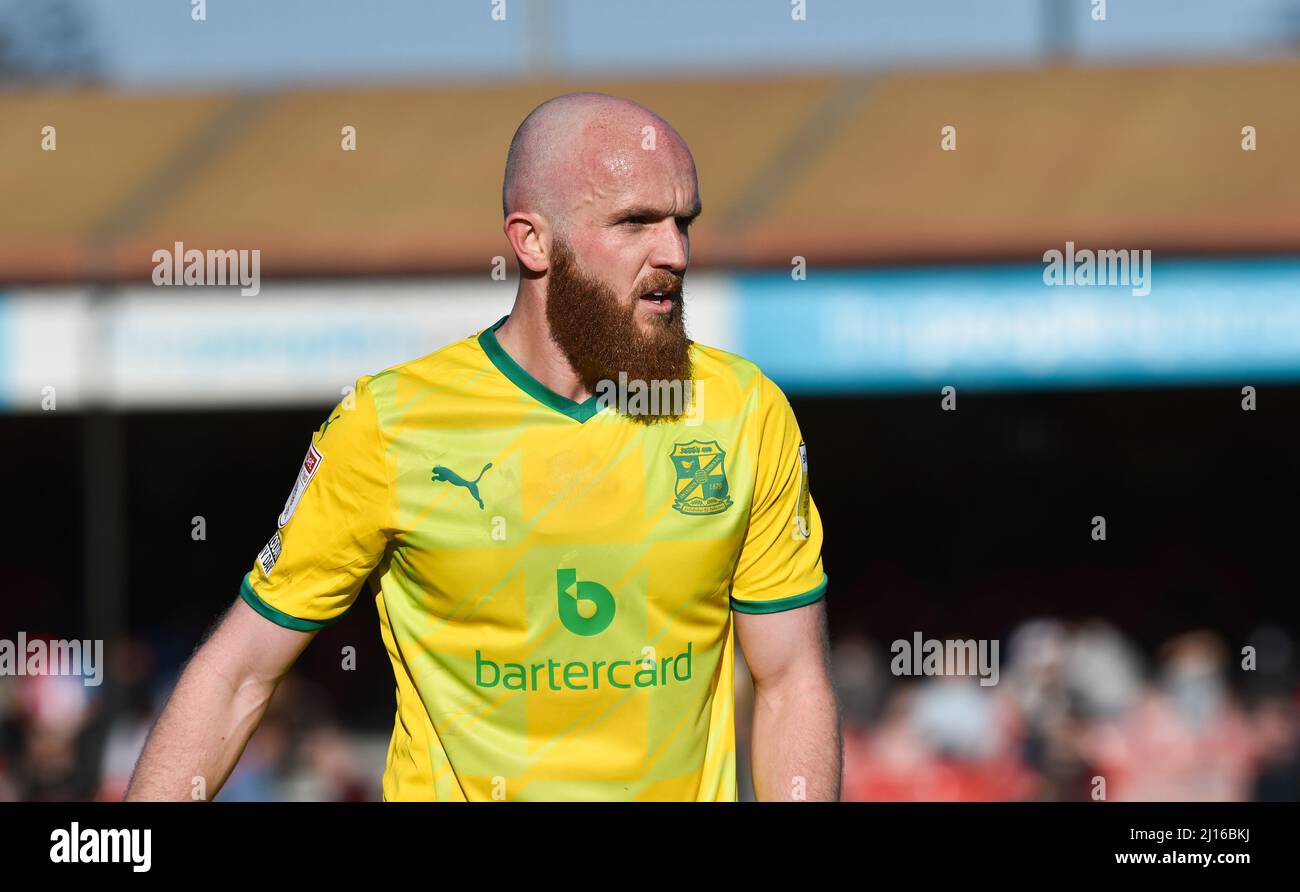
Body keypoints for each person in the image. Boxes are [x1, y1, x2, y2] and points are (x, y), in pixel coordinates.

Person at [125, 92, 838, 801]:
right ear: (531, 241)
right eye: (636, 223)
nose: (675, 253)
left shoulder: (743, 412)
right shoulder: (391, 425)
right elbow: (240, 672)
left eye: (684, 222)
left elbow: (790, 679)